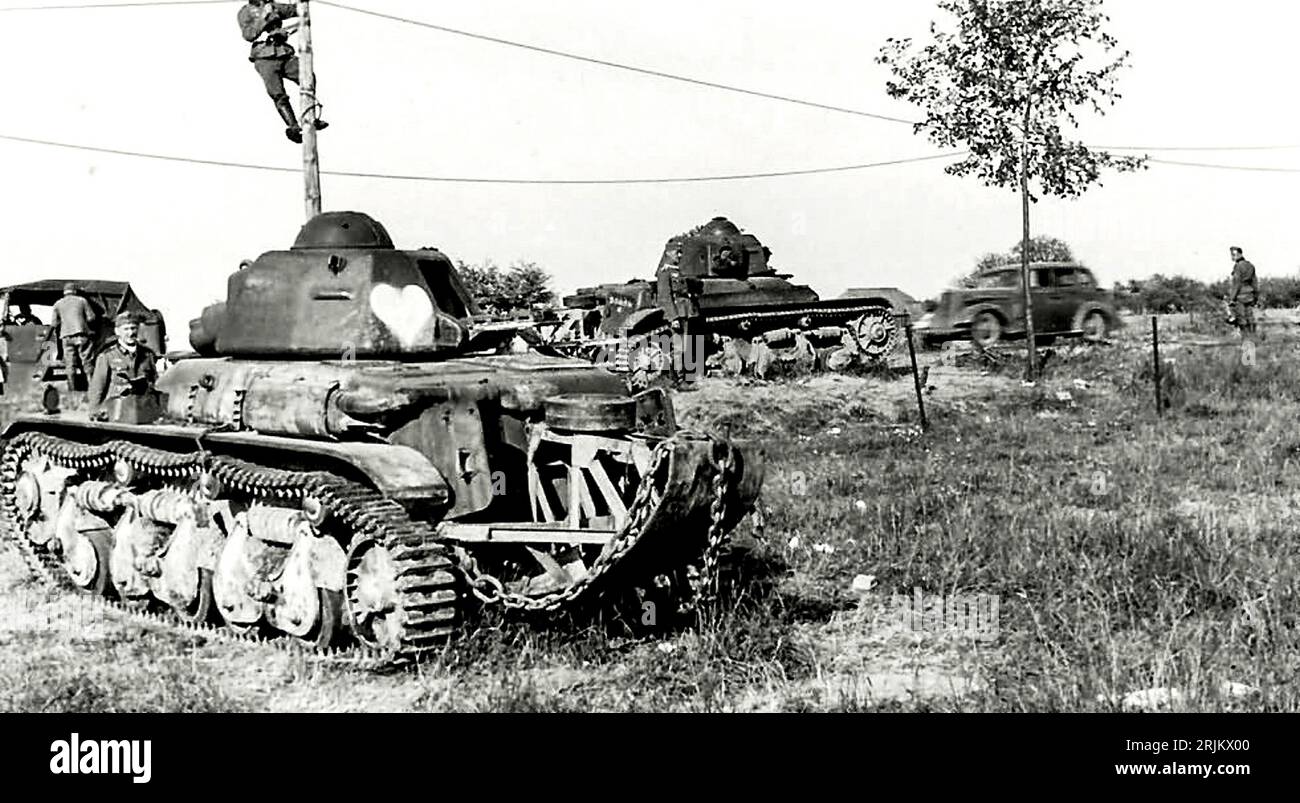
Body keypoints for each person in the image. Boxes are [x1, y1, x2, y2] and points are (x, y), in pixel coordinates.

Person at [238, 1, 329, 144]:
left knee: (307, 75)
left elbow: (296, 10)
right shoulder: (244, 12)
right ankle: (293, 126)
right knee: (277, 94)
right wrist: (264, 16)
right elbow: (249, 35)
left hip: (283, 53)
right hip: (264, 57)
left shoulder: (273, 6)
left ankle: (311, 116)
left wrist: (300, 5)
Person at [88, 312, 158, 419]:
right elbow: (97, 388)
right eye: (126, 329)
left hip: (143, 412)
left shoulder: (147, 355)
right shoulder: (107, 356)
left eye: (133, 328)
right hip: (117, 413)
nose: (130, 333)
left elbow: (155, 383)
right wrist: (94, 412)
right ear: (117, 331)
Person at [48, 283, 98, 391]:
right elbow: (91, 317)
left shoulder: (58, 304)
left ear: (64, 292)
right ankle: (93, 390)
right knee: (87, 362)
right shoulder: (82, 301)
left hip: (66, 337)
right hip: (81, 335)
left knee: (70, 364)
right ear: (75, 291)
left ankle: (72, 390)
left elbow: (54, 324)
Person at [1227, 246, 1258, 336]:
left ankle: (1245, 339)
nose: (1232, 257)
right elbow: (1255, 282)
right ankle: (1253, 337)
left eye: (1234, 254)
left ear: (1239, 254)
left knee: (1241, 319)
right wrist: (1256, 296)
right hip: (1250, 295)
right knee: (1250, 318)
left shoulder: (1238, 266)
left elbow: (1236, 283)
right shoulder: (1250, 265)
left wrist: (1232, 298)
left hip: (1240, 296)